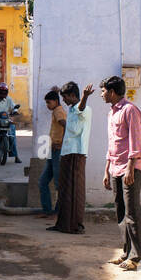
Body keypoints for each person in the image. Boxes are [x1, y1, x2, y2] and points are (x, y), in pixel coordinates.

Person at [101, 76, 141, 269]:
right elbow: (112, 143)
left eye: (103, 91)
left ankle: (137, 258)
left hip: (130, 169)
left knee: (132, 212)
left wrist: (130, 167)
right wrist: (106, 170)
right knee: (120, 212)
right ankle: (126, 252)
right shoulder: (111, 113)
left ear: (112, 92)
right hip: (115, 168)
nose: (102, 94)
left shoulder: (130, 110)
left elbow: (135, 141)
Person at [49, 81, 93, 234]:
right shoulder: (72, 109)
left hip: (77, 153)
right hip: (67, 152)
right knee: (64, 190)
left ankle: (74, 225)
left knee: (74, 190)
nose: (64, 100)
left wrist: (85, 97)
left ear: (73, 96)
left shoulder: (83, 109)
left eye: (66, 97)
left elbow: (81, 108)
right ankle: (63, 224)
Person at [38, 87, 66, 217]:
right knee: (43, 181)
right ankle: (48, 210)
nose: (47, 106)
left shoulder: (58, 111)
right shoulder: (56, 110)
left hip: (57, 151)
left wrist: (62, 144)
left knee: (58, 183)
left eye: (49, 103)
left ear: (55, 101)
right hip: (52, 150)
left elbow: (66, 125)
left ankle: (59, 211)